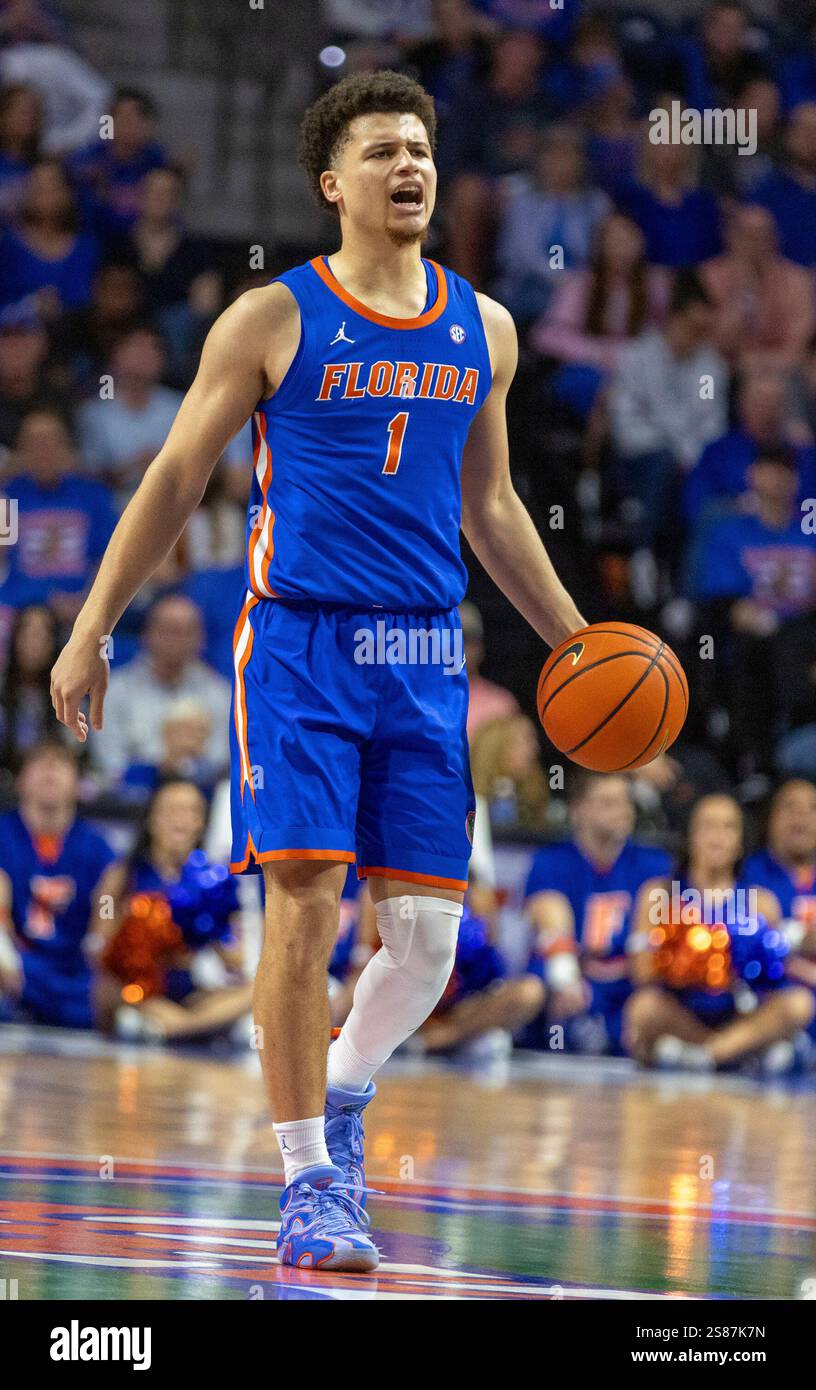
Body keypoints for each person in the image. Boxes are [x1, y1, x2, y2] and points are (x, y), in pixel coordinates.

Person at [50, 69, 585, 1273]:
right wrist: (92, 625)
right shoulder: (271, 318)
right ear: (330, 184)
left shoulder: (484, 326)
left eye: (423, 150)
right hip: (298, 643)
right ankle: (306, 1182)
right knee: (302, 892)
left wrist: (576, 639)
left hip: (422, 651)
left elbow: (490, 504)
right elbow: (176, 476)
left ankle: (340, 1091)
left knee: (428, 944)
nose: (410, 167)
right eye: (384, 150)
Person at [624, 794, 814, 1072]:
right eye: (708, 826)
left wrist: (748, 969)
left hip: (738, 1013)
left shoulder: (760, 901)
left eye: (728, 827)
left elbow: (773, 982)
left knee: (799, 1003)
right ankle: (732, 1054)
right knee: (642, 1008)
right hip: (681, 1010)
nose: (718, 836)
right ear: (690, 836)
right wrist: (694, 962)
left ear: (740, 843)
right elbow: (641, 972)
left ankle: (704, 1056)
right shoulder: (659, 894)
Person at [94, 778, 253, 1043]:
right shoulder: (123, 876)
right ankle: (183, 1026)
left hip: (185, 990)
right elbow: (99, 942)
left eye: (192, 811)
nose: (182, 819)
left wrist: (212, 923)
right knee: (107, 988)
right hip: (135, 989)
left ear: (201, 823)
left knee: (259, 991)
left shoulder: (214, 882)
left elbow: (236, 958)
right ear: (152, 819)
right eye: (172, 810)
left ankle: (175, 1028)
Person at [524, 771, 671, 1056]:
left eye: (626, 802)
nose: (623, 812)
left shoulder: (654, 864)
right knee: (541, 980)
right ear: (578, 810)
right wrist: (565, 974)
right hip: (569, 981)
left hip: (626, 987)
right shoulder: (551, 861)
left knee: (653, 1000)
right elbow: (545, 914)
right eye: (608, 802)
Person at [0, 742, 115, 1029]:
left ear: (78, 784)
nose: (50, 771)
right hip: (16, 961)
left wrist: (101, 937)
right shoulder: (4, 834)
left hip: (77, 970)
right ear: (20, 780)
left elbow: (108, 901)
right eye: (39, 762)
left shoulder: (97, 848)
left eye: (61, 764)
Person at [90, 593, 231, 785]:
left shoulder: (219, 692)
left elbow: (224, 761)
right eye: (170, 631)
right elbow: (109, 764)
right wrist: (161, 766)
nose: (178, 640)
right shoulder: (114, 691)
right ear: (147, 634)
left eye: (187, 632)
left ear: (201, 639)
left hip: (202, 797)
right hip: (134, 803)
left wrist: (194, 763)